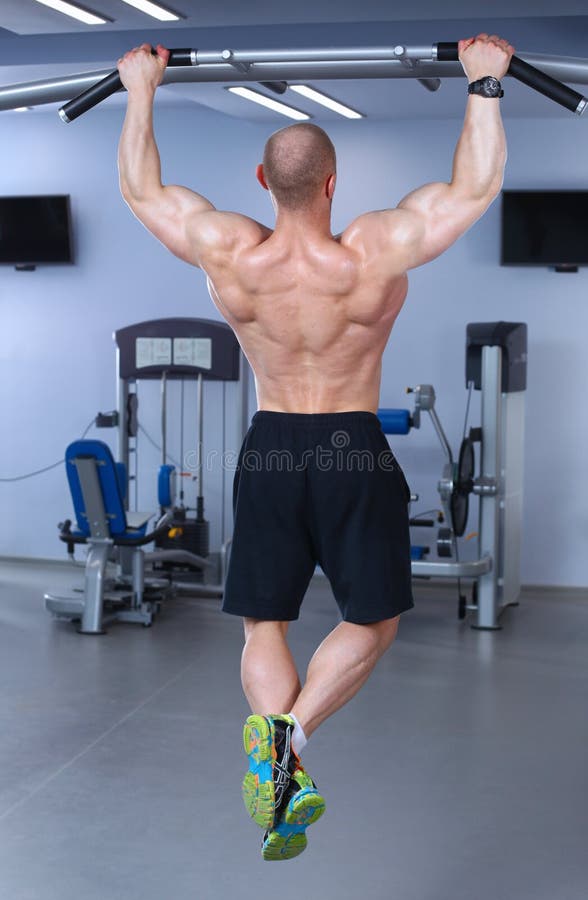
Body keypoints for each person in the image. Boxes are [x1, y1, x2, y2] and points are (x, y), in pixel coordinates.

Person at [117, 32, 514, 861]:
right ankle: (290, 739)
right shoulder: (375, 248)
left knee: (263, 621)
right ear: (334, 183)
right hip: (352, 442)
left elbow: (142, 189)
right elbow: (474, 187)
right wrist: (483, 84)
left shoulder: (228, 250)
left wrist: (140, 90)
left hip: (270, 443)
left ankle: (274, 746)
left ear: (262, 181)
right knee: (372, 621)